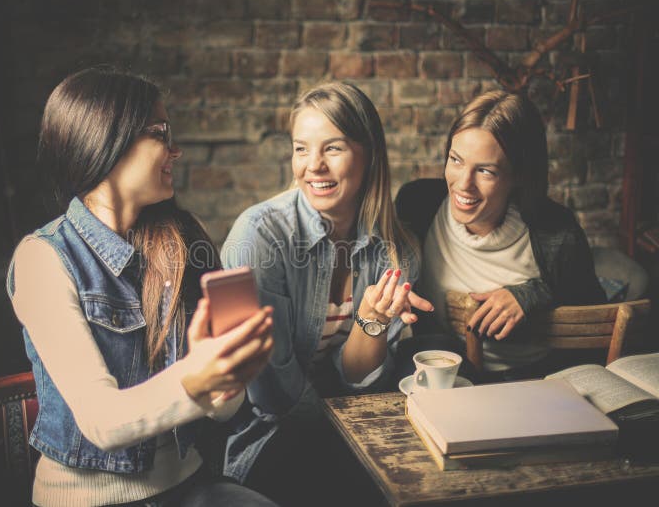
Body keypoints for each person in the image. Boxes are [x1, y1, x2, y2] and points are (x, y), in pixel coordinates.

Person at [6, 66, 278, 507]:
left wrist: (229, 376)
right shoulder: (42, 258)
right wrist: (195, 378)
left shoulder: (184, 238)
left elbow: (225, 409)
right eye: (159, 133)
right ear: (106, 141)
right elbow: (102, 421)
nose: (176, 150)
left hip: (190, 485)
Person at [220, 82, 432, 505]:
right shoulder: (260, 236)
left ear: (369, 154)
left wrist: (370, 322)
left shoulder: (399, 251)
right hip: (268, 434)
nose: (313, 166)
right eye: (301, 149)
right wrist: (348, 432)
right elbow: (271, 391)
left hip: (348, 424)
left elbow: (359, 383)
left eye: (332, 148)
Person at [396, 90, 605, 377]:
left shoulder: (558, 232)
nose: (463, 184)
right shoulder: (417, 204)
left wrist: (531, 295)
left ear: (519, 175)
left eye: (485, 171)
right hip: (445, 372)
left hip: (534, 377)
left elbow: (595, 319)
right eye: (456, 160)